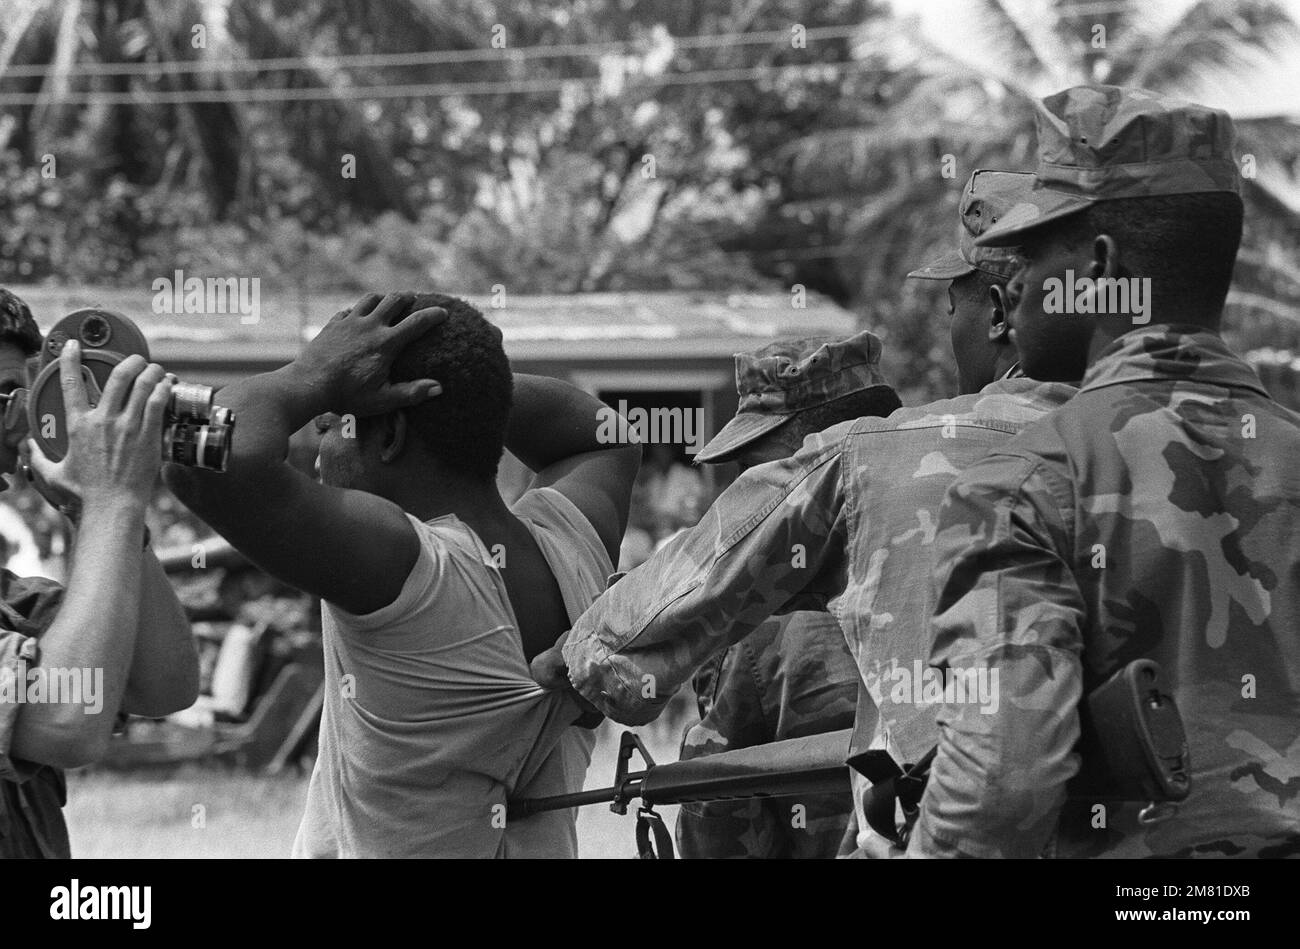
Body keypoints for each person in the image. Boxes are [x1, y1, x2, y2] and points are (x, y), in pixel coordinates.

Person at [535, 171, 1078, 858]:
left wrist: (570, 656)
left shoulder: (873, 462)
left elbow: (662, 624)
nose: (948, 327)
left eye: (952, 305)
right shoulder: (1210, 439)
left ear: (1000, 311)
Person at [911, 85, 1300, 859]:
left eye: (1030, 255)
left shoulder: (1024, 483)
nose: (1011, 285)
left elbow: (1000, 786)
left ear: (1098, 268)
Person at [166, 291, 639, 858]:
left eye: (333, 421)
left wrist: (312, 374)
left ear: (389, 434)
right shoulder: (572, 544)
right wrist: (461, 394)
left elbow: (194, 452)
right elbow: (605, 431)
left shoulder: (404, 566)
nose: (315, 448)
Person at [677, 330, 900, 858]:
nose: (745, 494)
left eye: (758, 471)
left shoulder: (763, 639)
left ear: (809, 461)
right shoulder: (960, 564)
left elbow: (719, 839)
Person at [0, 287, 199, 858]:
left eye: (23, 394)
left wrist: (94, 507)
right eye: (1, 397)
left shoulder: (17, 603)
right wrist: (112, 497)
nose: (16, 427)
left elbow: (163, 683)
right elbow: (66, 718)